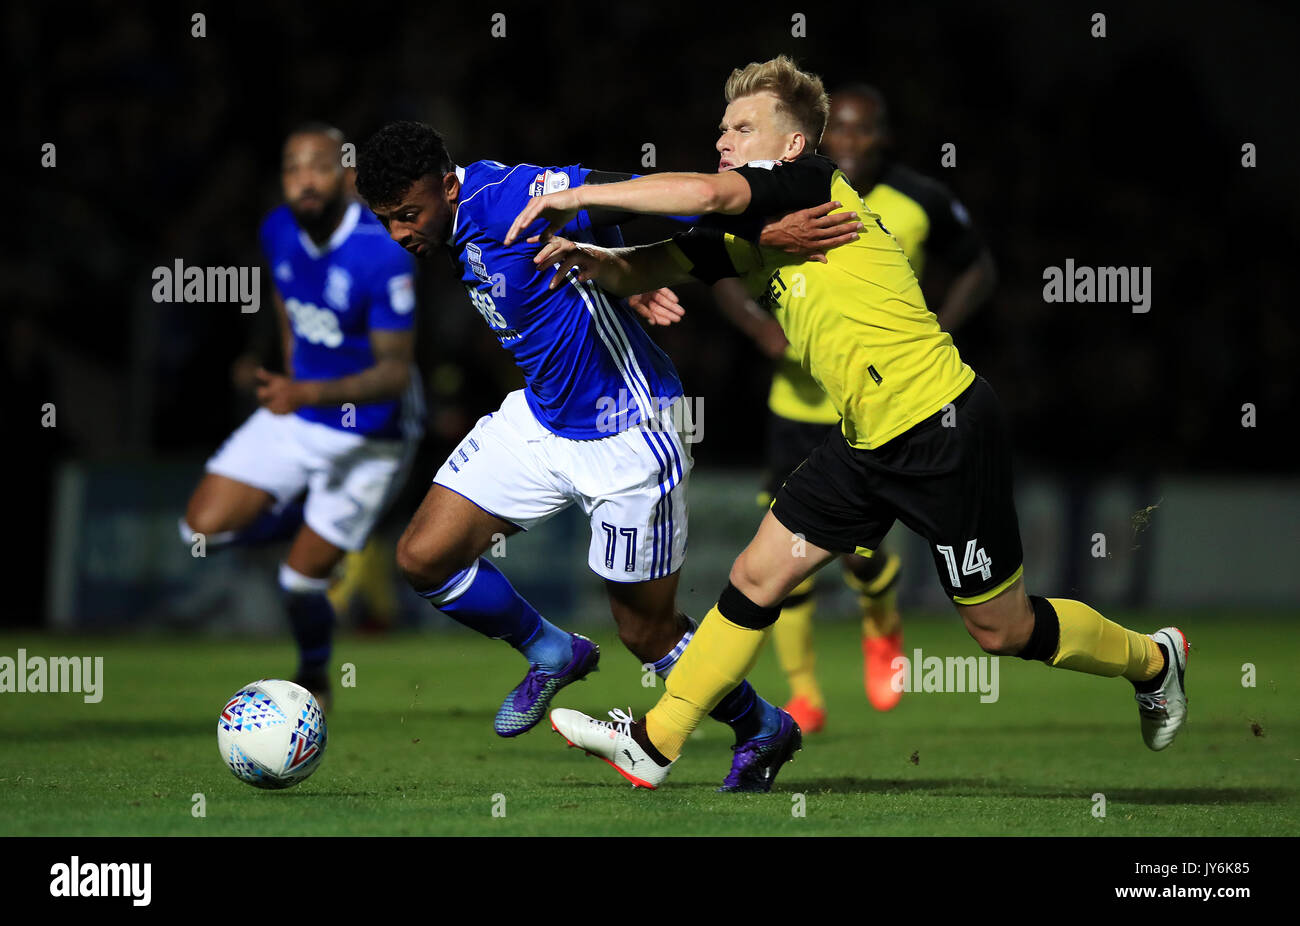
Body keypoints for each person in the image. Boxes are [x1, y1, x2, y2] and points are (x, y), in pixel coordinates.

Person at [507, 56, 1189, 788]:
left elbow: (703, 192)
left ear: (793, 144)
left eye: (743, 126)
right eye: (721, 128)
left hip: (940, 423)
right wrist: (589, 254)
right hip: (865, 442)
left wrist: (571, 196)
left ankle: (1155, 660)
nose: (724, 139)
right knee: (755, 578)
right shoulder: (761, 227)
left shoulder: (809, 183)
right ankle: (657, 739)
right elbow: (648, 267)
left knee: (1002, 630)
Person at [352, 122, 854, 790]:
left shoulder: (515, 196)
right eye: (386, 221)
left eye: (408, 215)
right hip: (540, 419)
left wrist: (758, 235)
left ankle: (765, 725)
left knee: (646, 635)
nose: (399, 235)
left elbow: (637, 195)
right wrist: (618, 271)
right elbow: (583, 241)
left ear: (448, 187)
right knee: (422, 557)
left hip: (629, 433)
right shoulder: (450, 225)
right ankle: (550, 651)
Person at [711, 82, 998, 726]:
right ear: (816, 135)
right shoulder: (773, 193)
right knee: (785, 564)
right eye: (838, 129)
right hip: (796, 404)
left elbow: (979, 267)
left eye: (864, 130)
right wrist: (760, 328)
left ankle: (882, 621)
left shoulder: (919, 199)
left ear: (884, 137)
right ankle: (805, 695)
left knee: (862, 557)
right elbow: (716, 265)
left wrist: (938, 327)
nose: (849, 141)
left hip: (883, 407)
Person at [182, 124, 424, 710]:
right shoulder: (277, 230)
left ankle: (314, 673)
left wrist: (305, 394)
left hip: (372, 433)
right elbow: (286, 303)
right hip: (301, 408)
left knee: (298, 582)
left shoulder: (381, 249)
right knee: (200, 532)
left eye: (316, 167)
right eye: (292, 169)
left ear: (347, 177)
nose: (302, 181)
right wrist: (272, 361)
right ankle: (310, 524)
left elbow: (394, 374)